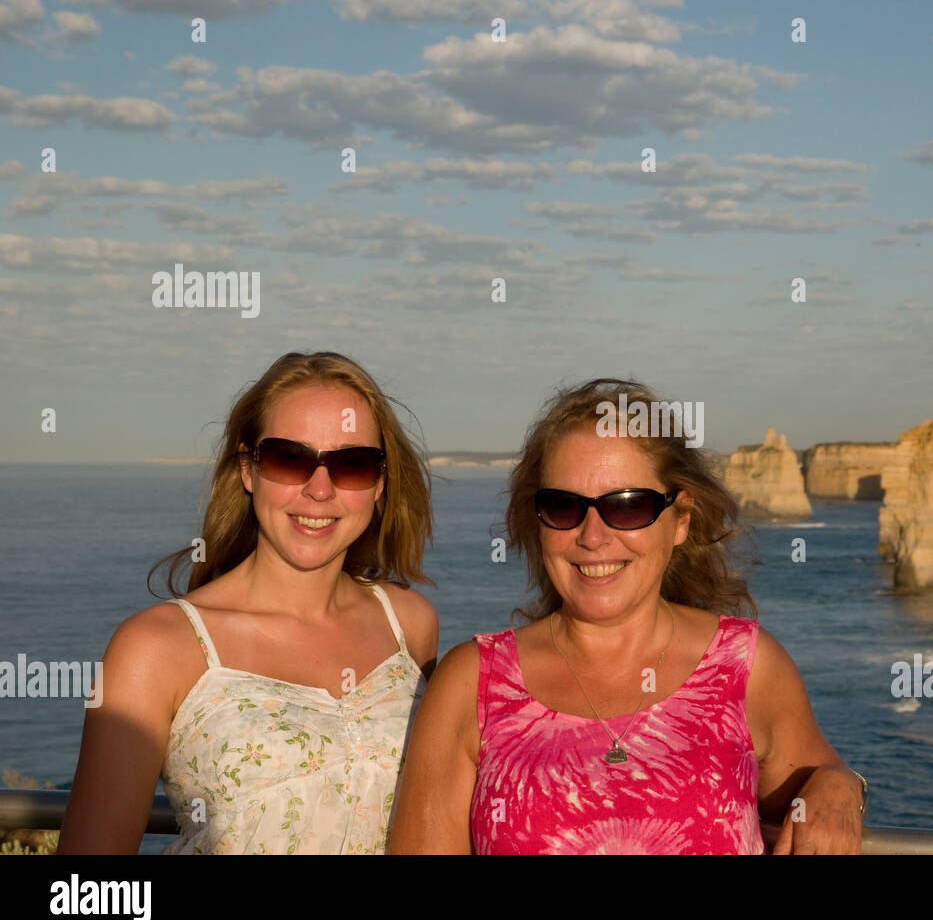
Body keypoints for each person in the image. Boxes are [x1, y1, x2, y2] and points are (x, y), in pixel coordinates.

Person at [390, 378, 865, 854]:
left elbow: (823, 778)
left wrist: (842, 785)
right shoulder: (471, 684)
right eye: (564, 506)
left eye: (628, 506)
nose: (592, 536)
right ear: (537, 522)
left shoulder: (746, 667)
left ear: (680, 519)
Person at [57, 351, 438, 854]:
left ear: (380, 483)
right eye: (289, 458)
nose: (319, 490)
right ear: (248, 469)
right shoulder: (156, 648)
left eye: (351, 464)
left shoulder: (409, 624)